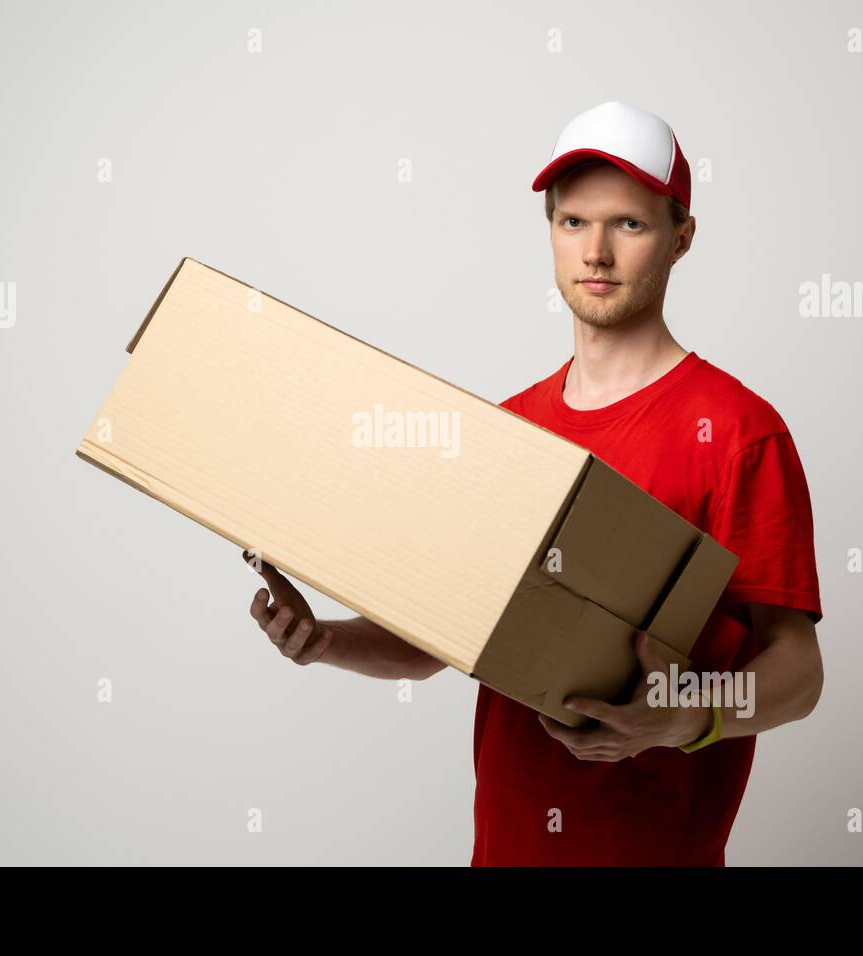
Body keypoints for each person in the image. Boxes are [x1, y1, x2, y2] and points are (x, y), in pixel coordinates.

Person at [242, 101, 824, 866]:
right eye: (573, 222)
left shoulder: (740, 432)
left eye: (630, 225)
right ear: (549, 232)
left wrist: (684, 718)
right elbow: (435, 642)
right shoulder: (507, 434)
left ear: (682, 238)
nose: (598, 252)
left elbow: (798, 672)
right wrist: (324, 641)